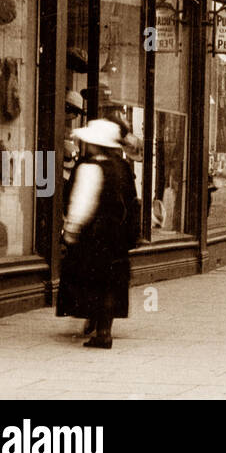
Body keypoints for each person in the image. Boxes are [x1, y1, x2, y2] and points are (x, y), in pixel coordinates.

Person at [56, 119, 140, 349]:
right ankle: (104, 330)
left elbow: (82, 203)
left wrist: (71, 230)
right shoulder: (120, 167)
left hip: (94, 236)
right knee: (110, 282)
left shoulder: (90, 168)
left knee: (92, 280)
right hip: (117, 235)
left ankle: (96, 326)